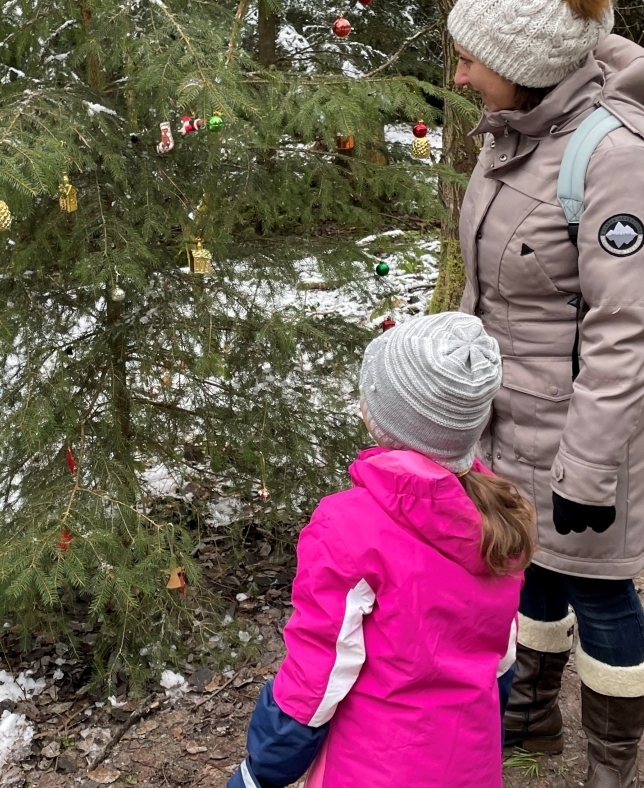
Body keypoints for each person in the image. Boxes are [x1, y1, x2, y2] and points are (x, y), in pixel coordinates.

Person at [448, 0, 644, 788]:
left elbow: (624, 328)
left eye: (472, 59)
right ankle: (531, 712)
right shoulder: (512, 131)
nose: (462, 75)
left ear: (524, 63)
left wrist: (582, 468)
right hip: (511, 415)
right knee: (531, 561)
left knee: (601, 587)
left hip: (591, 430)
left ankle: (612, 763)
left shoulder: (611, 155)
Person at [226, 312, 534, 788]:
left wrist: (260, 771)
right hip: (470, 758)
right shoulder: (500, 516)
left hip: (376, 765)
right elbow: (502, 654)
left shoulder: (349, 526)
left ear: (387, 418)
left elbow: (317, 673)